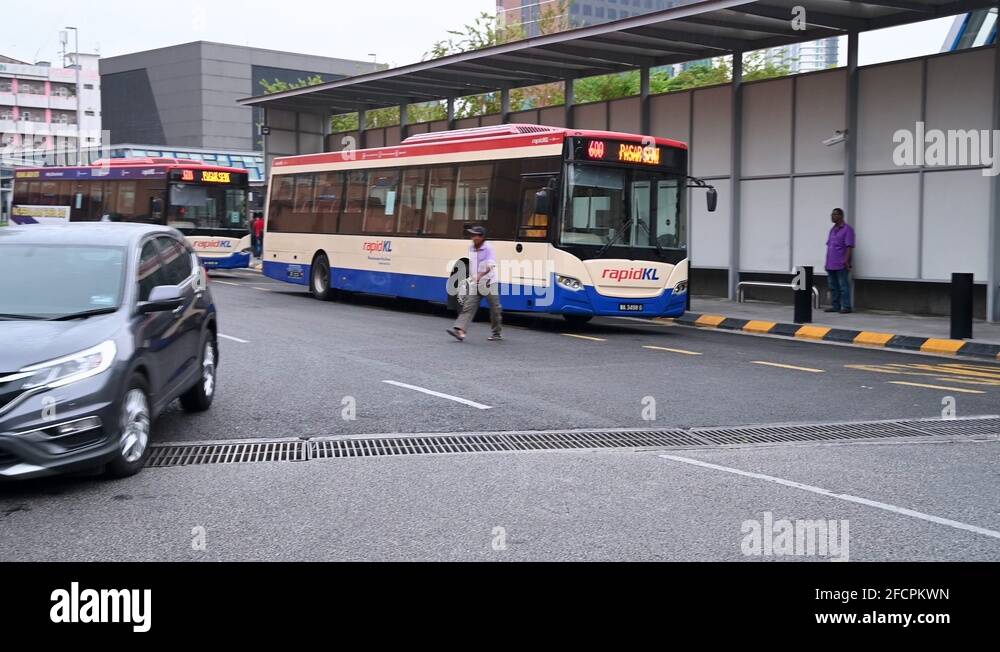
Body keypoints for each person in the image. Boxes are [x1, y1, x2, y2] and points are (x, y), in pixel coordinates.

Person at [447, 226, 503, 342]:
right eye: (471, 235)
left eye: (474, 235)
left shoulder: (488, 248)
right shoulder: (471, 248)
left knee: (495, 309)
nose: (472, 237)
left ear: (481, 237)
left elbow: (490, 265)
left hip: (488, 283)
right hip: (476, 283)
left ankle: (496, 333)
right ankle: (460, 331)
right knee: (468, 306)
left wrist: (480, 275)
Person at [824, 208, 855, 314]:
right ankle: (835, 306)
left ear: (841, 216)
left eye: (835, 214)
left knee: (843, 286)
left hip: (841, 264)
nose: (832, 216)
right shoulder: (832, 230)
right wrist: (826, 262)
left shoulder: (847, 229)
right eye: (832, 214)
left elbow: (849, 247)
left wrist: (846, 262)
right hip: (830, 264)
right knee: (833, 287)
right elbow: (829, 247)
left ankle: (846, 307)